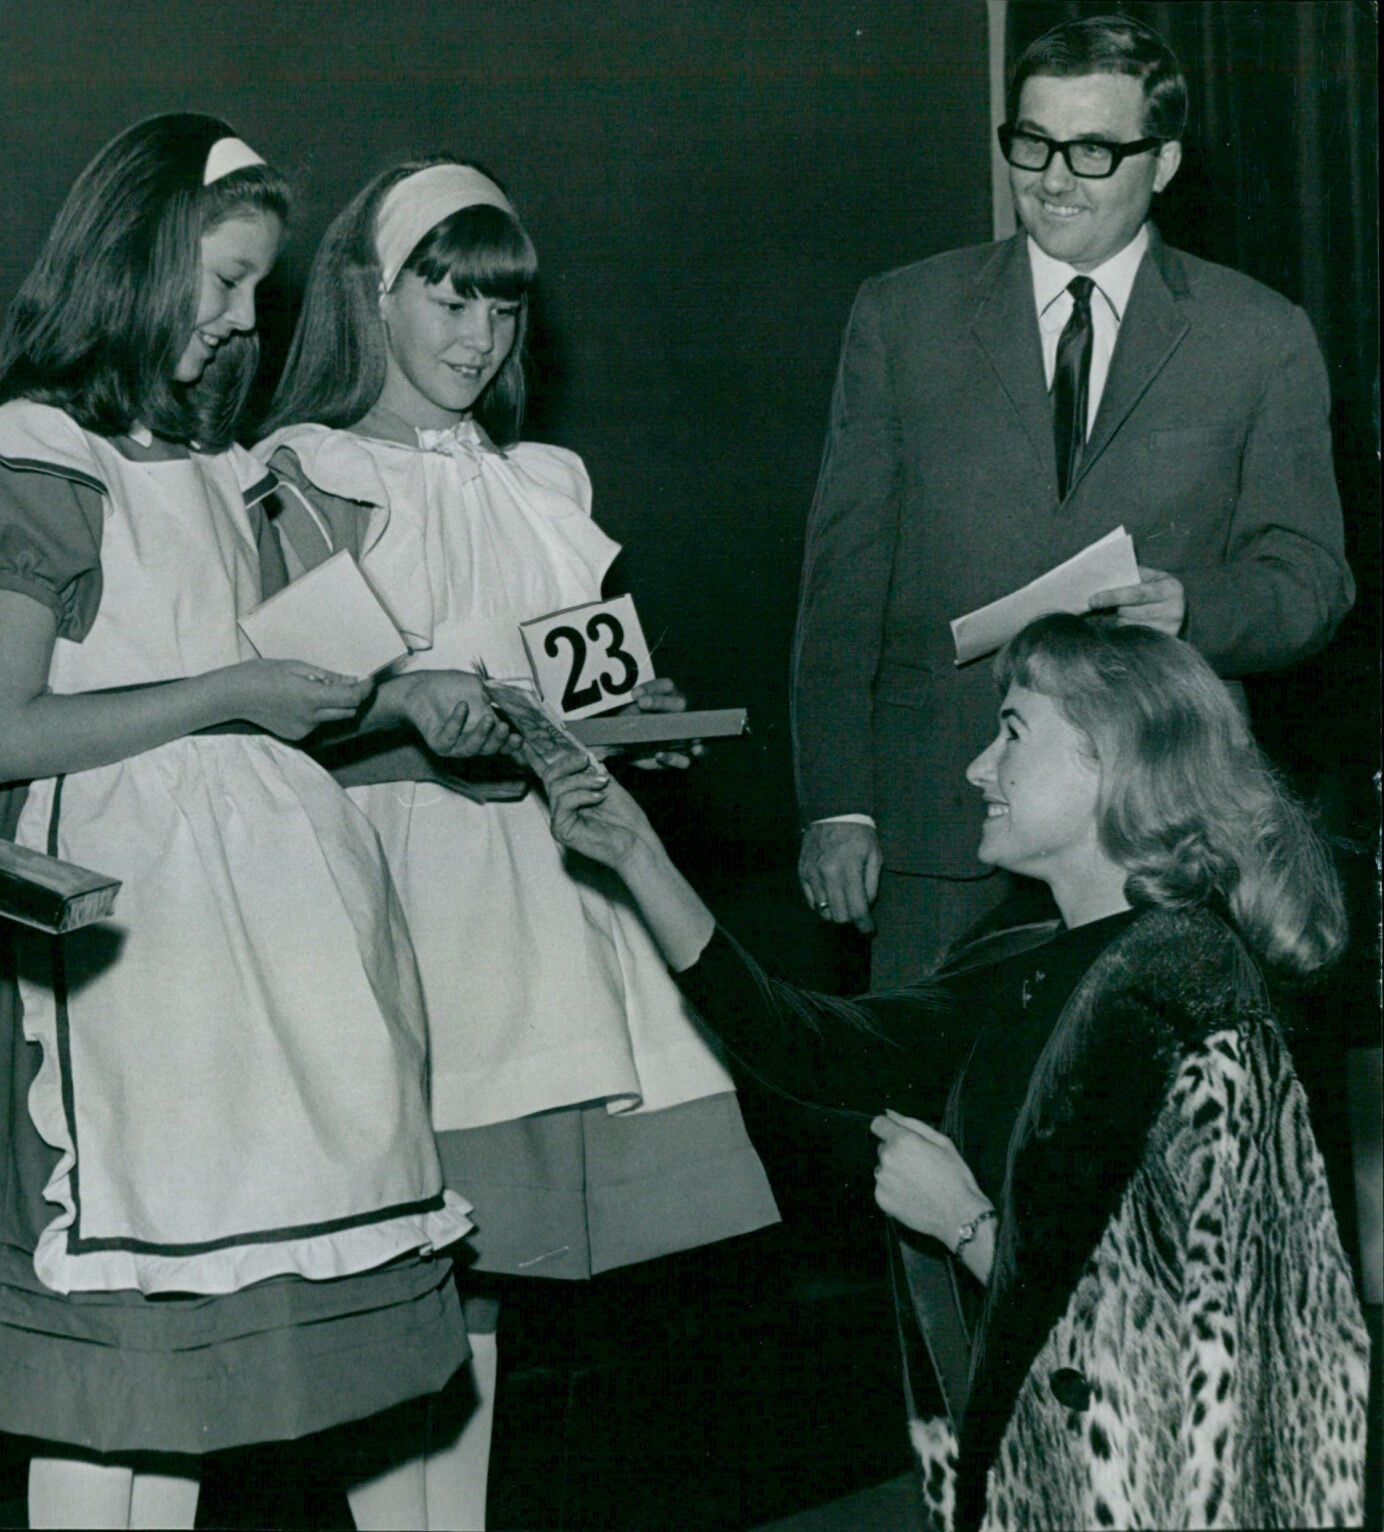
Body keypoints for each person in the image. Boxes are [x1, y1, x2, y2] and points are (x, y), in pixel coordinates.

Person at [0, 116, 472, 1532]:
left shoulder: (231, 474)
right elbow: (3, 732)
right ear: (129, 264)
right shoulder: (34, 460)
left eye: (255, 296)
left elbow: (292, 695)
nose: (236, 324)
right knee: (112, 1380)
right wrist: (230, 691)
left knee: (202, 1387)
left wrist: (402, 698)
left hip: (263, 945)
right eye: (217, 285)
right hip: (114, 938)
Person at [545, 612, 1370, 1531]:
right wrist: (636, 856)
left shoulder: (1190, 978)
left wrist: (964, 1222)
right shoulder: (1039, 956)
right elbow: (807, 1045)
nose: (979, 767)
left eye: (1012, 732)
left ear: (1113, 758)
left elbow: (1190, 1330)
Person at [258, 157, 779, 1528]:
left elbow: (588, 691)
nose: (477, 339)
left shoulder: (544, 477)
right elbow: (299, 724)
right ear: (371, 296)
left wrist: (639, 721)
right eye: (447, 299)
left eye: (501, 309)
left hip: (537, 897)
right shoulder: (301, 473)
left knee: (492, 1264)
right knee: (410, 1264)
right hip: (398, 893)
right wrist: (422, 728)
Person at [792, 13, 1354, 987]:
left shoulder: (1260, 337)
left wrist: (1196, 607)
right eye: (1030, 143)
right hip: (940, 832)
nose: (1052, 179)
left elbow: (1310, 579)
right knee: (932, 1123)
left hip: (1160, 825)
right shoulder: (899, 317)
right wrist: (838, 804)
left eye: (1092, 150)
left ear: (1163, 160)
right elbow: (838, 589)